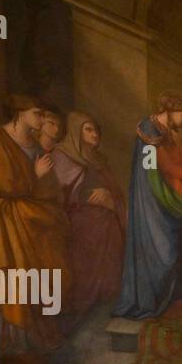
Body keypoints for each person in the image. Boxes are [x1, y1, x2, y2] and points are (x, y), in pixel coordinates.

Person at [114, 92, 182, 320]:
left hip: (172, 196)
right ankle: (155, 302)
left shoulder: (169, 133)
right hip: (154, 201)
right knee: (163, 250)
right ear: (172, 110)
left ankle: (176, 301)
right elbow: (157, 169)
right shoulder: (148, 130)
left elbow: (175, 166)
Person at [0, 94, 70, 363]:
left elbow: (50, 188)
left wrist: (41, 181)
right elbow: (6, 184)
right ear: (20, 113)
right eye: (36, 113)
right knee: (14, 275)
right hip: (6, 219)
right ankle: (12, 337)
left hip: (33, 217)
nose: (40, 119)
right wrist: (35, 176)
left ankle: (36, 331)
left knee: (45, 268)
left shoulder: (34, 144)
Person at [54, 110, 127, 329]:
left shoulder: (99, 160)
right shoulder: (61, 156)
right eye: (88, 129)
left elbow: (116, 192)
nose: (95, 134)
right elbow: (57, 195)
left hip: (107, 223)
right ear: (76, 131)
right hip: (79, 226)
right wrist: (88, 198)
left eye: (96, 129)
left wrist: (110, 199)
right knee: (81, 277)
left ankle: (102, 315)